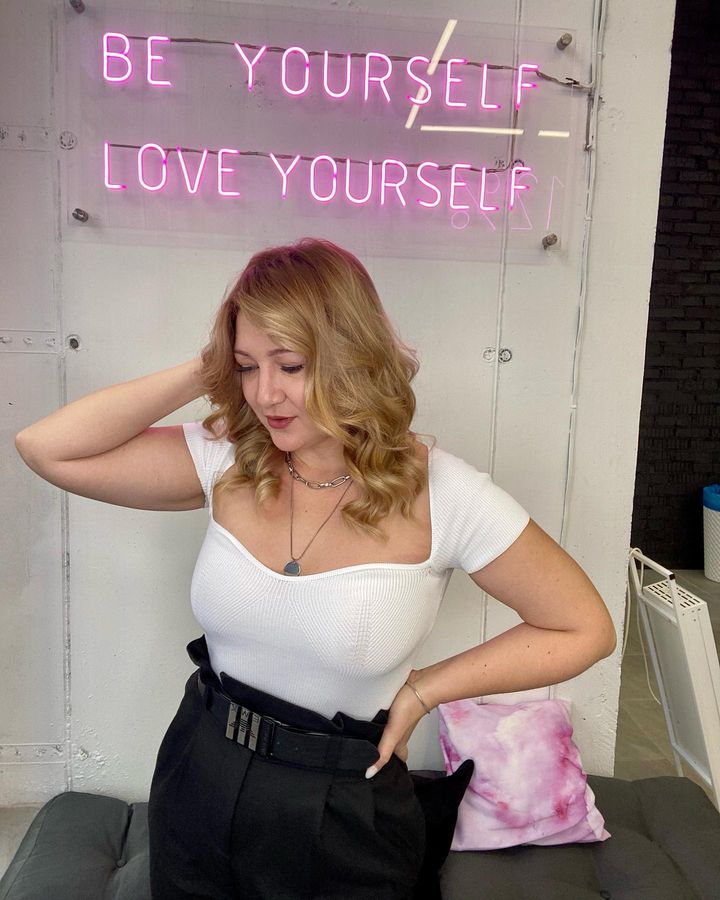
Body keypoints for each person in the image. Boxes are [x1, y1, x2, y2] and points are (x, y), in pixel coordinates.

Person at [14, 237, 616, 900]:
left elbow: (583, 627)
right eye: (247, 367)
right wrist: (208, 367)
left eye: (292, 364)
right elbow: (46, 448)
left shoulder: (448, 495)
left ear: (351, 356)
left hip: (343, 810)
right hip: (200, 772)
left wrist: (425, 690)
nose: (264, 394)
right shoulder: (227, 457)